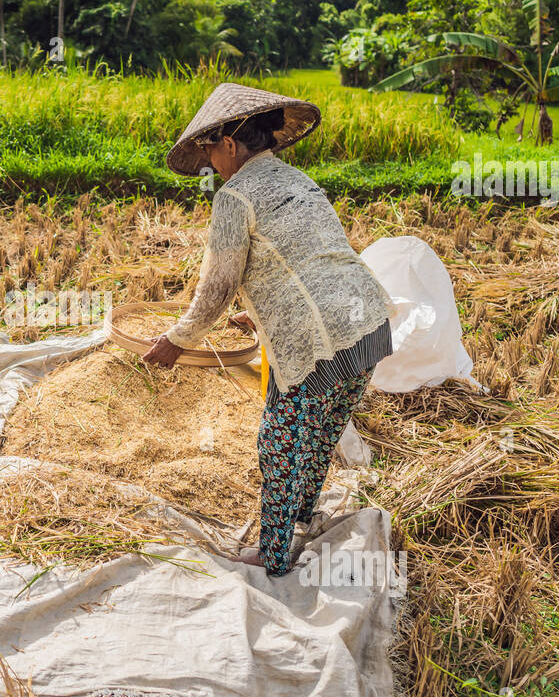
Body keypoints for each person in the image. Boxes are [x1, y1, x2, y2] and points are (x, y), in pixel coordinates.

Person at [143, 83, 393, 577]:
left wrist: (177, 339)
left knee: (278, 441)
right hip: (366, 321)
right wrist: (258, 315)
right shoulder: (297, 180)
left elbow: (216, 288)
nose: (210, 165)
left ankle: (273, 554)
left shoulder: (234, 196)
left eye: (211, 151)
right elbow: (305, 260)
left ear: (231, 144)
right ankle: (299, 517)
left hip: (317, 339)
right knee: (320, 429)